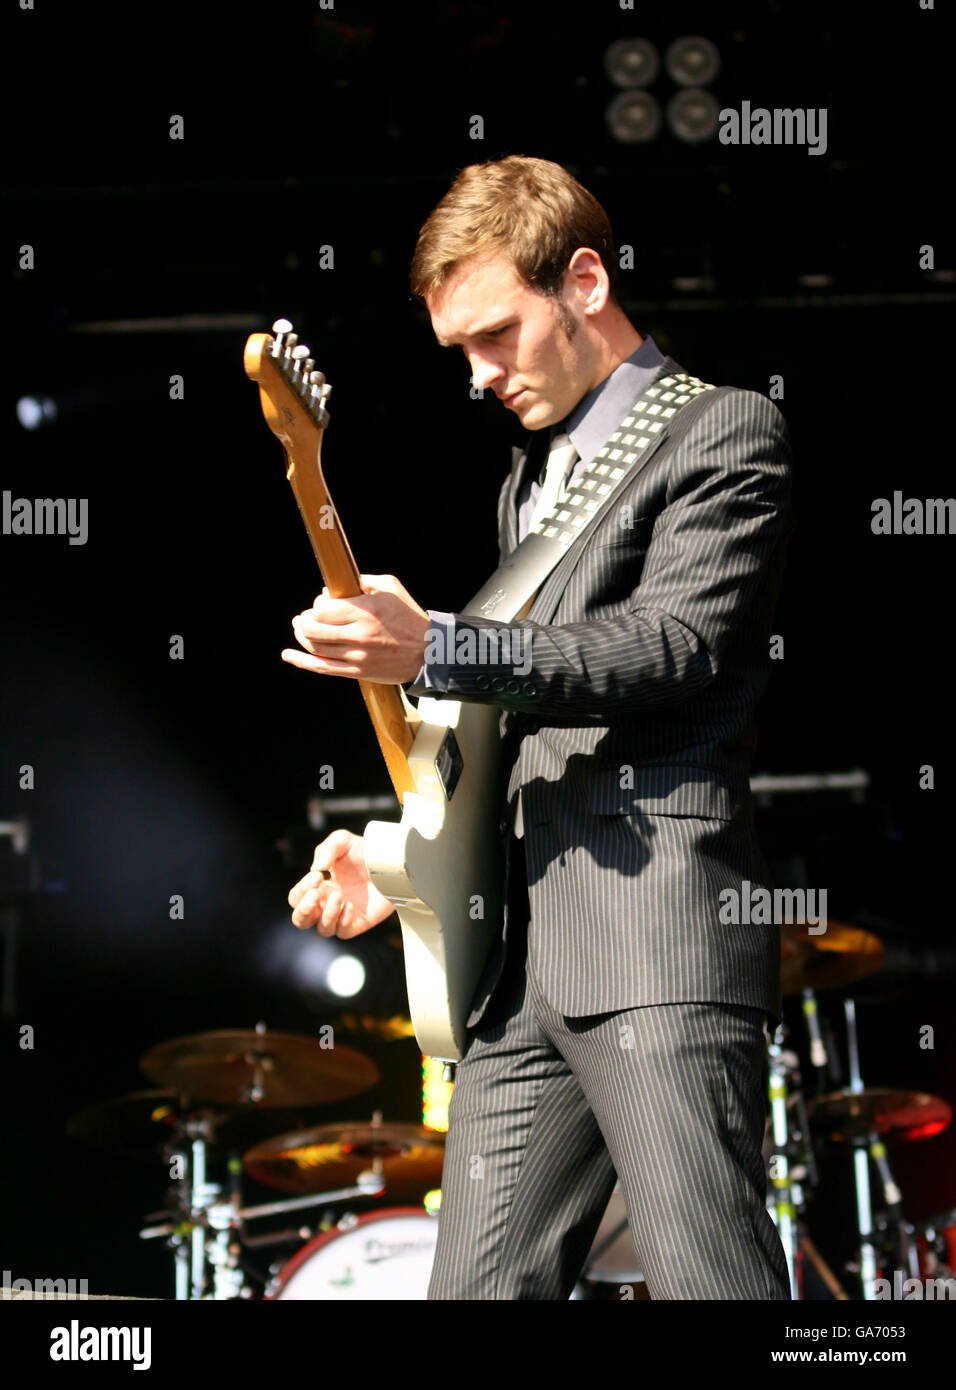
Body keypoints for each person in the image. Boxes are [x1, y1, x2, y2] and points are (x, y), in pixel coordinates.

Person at [283, 155, 794, 1300]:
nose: (477, 375)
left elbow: (668, 649)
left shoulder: (719, 429)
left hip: (654, 940)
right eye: (457, 351)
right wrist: (400, 858)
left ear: (582, 281)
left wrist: (439, 644)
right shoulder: (533, 479)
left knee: (716, 1286)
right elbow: (522, 724)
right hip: (520, 969)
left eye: (495, 333)